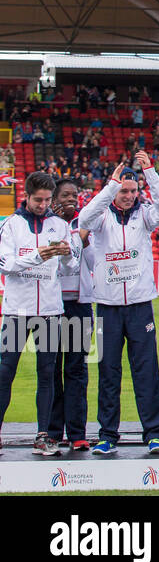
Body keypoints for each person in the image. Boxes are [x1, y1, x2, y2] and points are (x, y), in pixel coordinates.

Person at [78, 152, 159, 454]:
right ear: (114, 190)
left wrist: (150, 171)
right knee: (108, 371)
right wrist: (109, 187)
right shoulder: (102, 217)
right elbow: (84, 219)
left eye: (133, 191)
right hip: (107, 306)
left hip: (139, 305)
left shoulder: (144, 215)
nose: (129, 196)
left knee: (146, 370)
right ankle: (107, 434)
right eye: (124, 191)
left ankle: (155, 433)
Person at [0, 172, 80, 454]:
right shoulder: (11, 225)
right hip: (16, 312)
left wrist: (68, 254)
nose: (43, 204)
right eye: (38, 199)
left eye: (47, 200)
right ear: (27, 195)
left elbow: (71, 268)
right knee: (4, 372)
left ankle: (43, 436)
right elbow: (6, 264)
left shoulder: (59, 225)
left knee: (47, 374)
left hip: (49, 312)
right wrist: (38, 254)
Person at [47, 177, 94, 451]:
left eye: (74, 195)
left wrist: (85, 242)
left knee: (76, 369)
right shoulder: (44, 227)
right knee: (51, 369)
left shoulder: (85, 225)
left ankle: (77, 432)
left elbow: (93, 263)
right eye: (66, 195)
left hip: (78, 305)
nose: (71, 199)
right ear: (54, 199)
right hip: (50, 306)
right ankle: (53, 431)